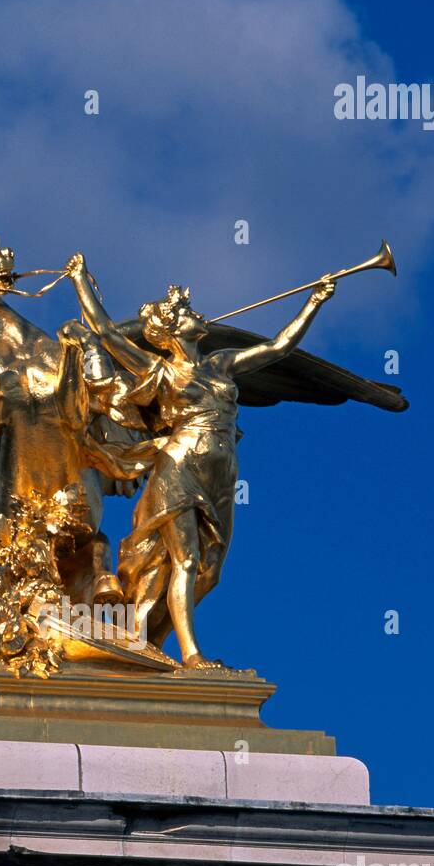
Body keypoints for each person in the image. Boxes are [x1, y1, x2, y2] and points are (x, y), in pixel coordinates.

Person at [64, 253, 336, 667]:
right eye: (188, 313)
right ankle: (191, 655)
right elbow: (104, 331)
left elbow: (279, 347)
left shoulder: (220, 362)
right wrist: (80, 279)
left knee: (210, 570)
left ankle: (141, 635)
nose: (199, 315)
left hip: (222, 472)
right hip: (179, 467)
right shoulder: (159, 371)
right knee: (186, 560)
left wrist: (315, 301)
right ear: (172, 330)